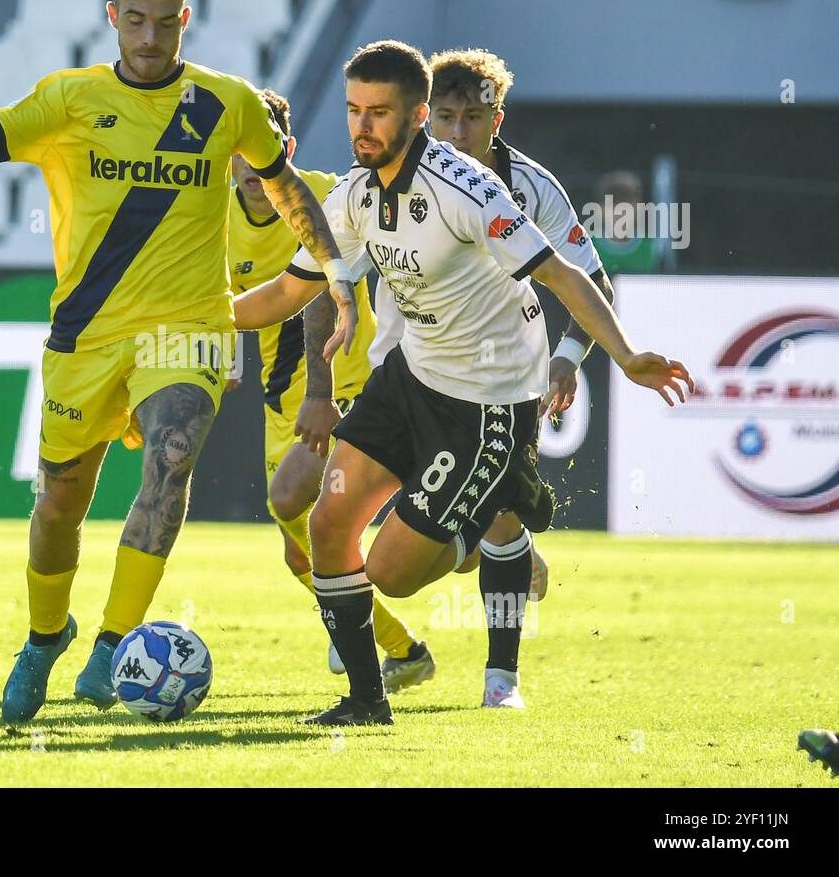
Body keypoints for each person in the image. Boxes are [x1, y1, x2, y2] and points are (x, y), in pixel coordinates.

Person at [0, 0, 357, 722]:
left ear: (186, 20)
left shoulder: (228, 103)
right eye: (135, 21)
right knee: (58, 507)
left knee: (170, 463)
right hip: (86, 335)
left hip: (190, 329)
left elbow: (284, 186)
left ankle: (116, 641)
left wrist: (335, 269)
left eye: (165, 22)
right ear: (114, 19)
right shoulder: (71, 98)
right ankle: (46, 636)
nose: (149, 36)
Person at [234, 40, 692, 725]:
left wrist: (622, 355)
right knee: (328, 523)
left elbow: (564, 273)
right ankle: (366, 702)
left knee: (391, 571)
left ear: (415, 117)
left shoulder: (471, 189)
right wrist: (176, 315)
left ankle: (495, 519)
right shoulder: (356, 194)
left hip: (488, 400)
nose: (362, 126)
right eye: (354, 110)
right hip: (410, 374)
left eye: (379, 112)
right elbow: (286, 293)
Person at [301, 47, 615, 707]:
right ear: (425, 118)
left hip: (496, 383)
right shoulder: (386, 177)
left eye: (473, 118)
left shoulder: (531, 191)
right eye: (445, 118)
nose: (458, 132)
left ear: (496, 118)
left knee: (492, 517)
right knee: (342, 521)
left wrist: (567, 355)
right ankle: (370, 659)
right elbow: (322, 272)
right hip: (401, 365)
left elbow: (586, 278)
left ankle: (501, 680)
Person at [227, 87, 432, 691]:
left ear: (282, 149)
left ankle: (373, 631)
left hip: (344, 382)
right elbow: (222, 298)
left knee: (290, 501)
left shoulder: (325, 197)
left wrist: (324, 395)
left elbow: (317, 293)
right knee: (299, 553)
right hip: (278, 395)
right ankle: (403, 648)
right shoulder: (217, 217)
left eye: (258, 150)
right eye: (237, 152)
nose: (246, 167)